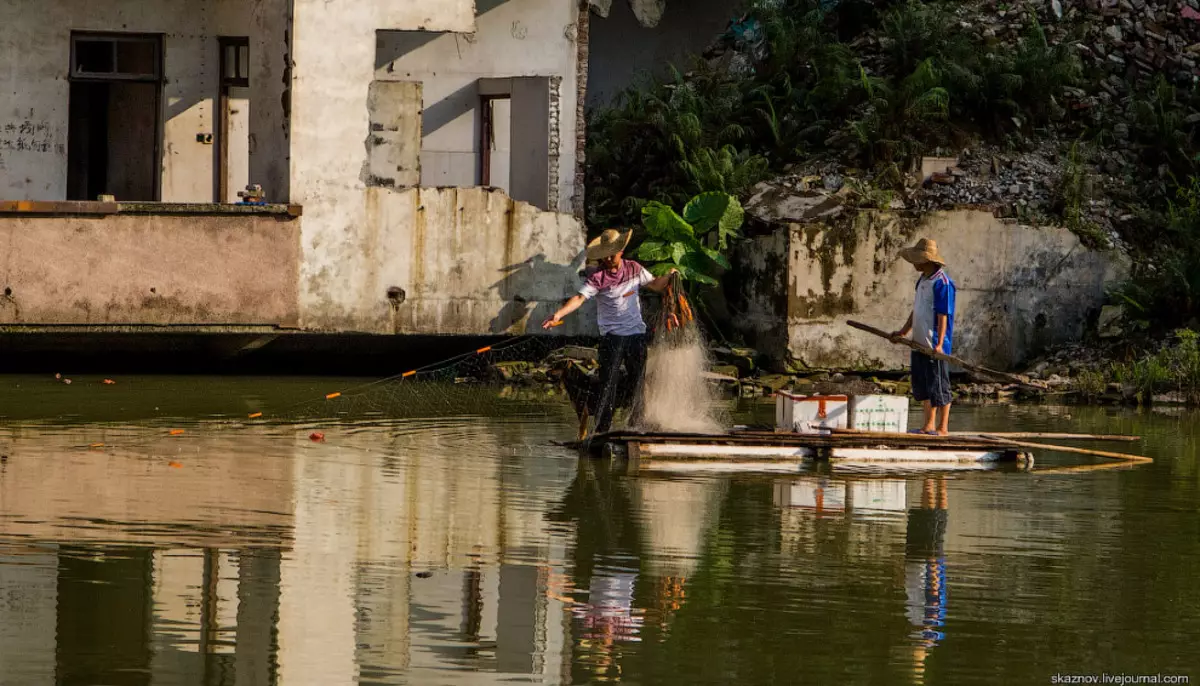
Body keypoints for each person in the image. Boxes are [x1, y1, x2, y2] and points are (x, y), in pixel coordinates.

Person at [542, 229, 675, 434]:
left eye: (613, 253)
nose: (609, 258)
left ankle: (637, 424)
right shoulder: (598, 278)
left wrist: (670, 276)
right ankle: (602, 429)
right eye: (606, 255)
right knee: (608, 384)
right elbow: (579, 298)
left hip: (636, 336)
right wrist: (559, 314)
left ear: (621, 251)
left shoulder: (634, 269)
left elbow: (656, 285)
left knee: (638, 382)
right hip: (612, 338)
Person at [891, 238, 956, 435]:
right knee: (924, 387)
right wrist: (903, 332)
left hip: (934, 345)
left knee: (939, 386)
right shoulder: (922, 280)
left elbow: (943, 315)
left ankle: (942, 427)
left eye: (917, 260)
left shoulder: (942, 283)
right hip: (918, 343)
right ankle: (928, 425)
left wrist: (939, 345)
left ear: (926, 260)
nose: (914, 264)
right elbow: (917, 310)